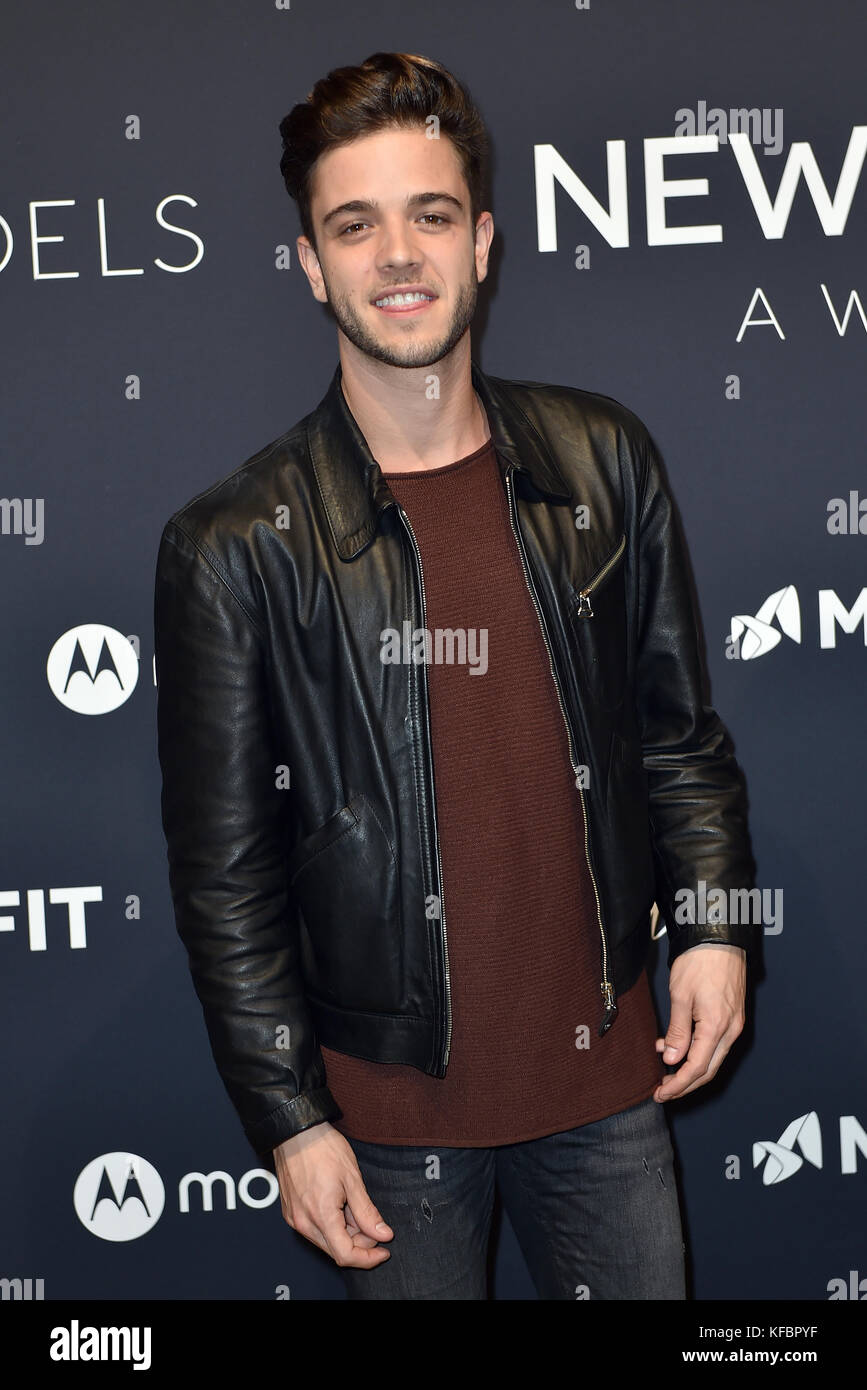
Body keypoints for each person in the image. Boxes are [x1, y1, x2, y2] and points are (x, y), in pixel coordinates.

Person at [154, 51, 758, 1301]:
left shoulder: (604, 462)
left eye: (430, 215)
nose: (398, 256)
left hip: (607, 1091)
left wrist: (712, 922)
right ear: (312, 265)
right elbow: (227, 871)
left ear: (482, 240)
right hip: (386, 1128)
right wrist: (290, 1117)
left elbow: (678, 736)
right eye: (354, 226)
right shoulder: (232, 547)